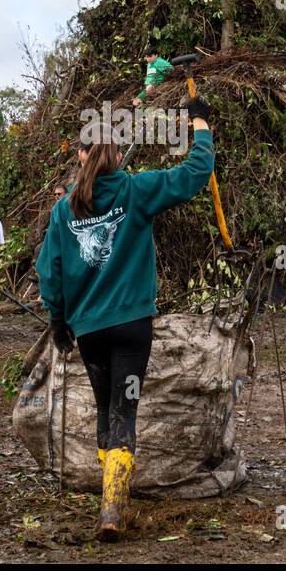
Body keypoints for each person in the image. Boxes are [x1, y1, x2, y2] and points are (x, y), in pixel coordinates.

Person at [35, 96, 215, 540]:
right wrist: (201, 124)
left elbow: (50, 272)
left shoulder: (64, 211)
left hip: (90, 330)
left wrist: (58, 321)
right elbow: (195, 174)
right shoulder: (136, 190)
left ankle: (109, 501)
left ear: (79, 156)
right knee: (125, 409)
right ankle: (113, 509)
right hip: (133, 326)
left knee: (104, 407)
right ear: (117, 155)